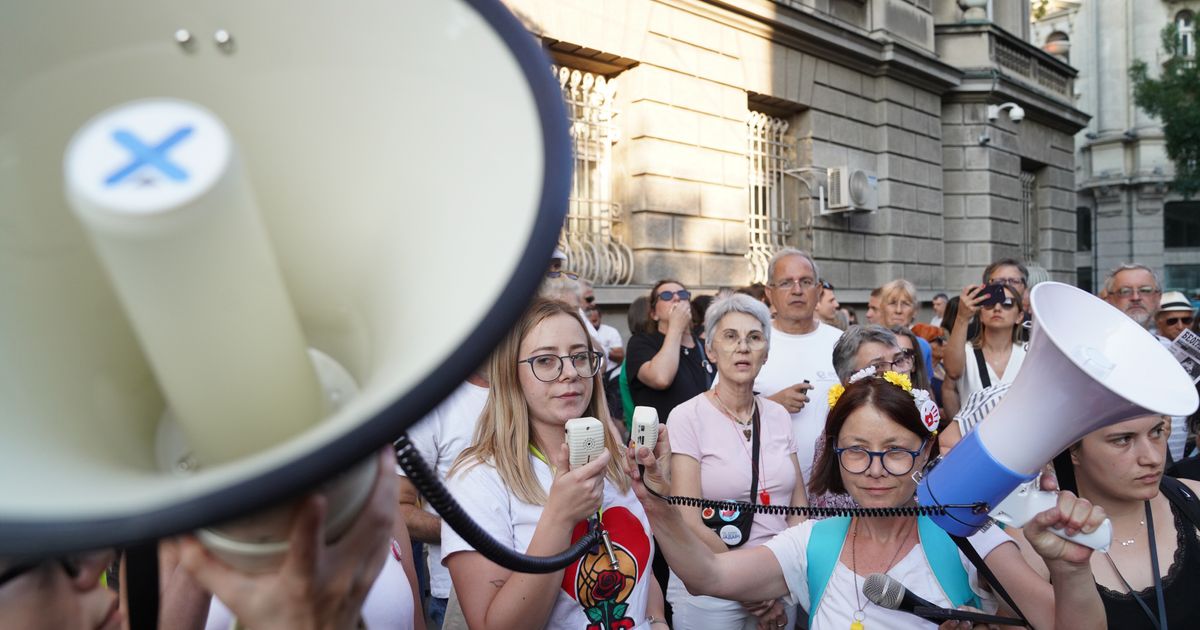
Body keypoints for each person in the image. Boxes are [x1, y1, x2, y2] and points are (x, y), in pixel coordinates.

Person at [626, 375, 1109, 630]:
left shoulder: (969, 533)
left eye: (896, 451)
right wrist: (658, 503)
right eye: (856, 451)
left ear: (925, 451)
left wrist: (1069, 572)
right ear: (835, 456)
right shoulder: (813, 541)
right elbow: (707, 576)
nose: (875, 469)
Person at [442, 299, 665, 630]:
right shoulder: (477, 478)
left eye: (580, 356)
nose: (571, 372)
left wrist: (656, 619)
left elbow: (637, 562)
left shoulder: (615, 457)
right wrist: (559, 518)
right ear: (509, 374)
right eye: (545, 360)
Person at [666, 295, 808, 629]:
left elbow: (798, 508)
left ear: (766, 353)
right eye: (730, 336)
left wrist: (781, 574)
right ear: (711, 350)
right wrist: (752, 590)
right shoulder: (687, 417)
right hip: (712, 587)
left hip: (779, 581)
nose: (742, 347)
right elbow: (688, 519)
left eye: (754, 337)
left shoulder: (778, 415)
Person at [1019, 414, 1200, 629]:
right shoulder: (1030, 547)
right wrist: (1070, 573)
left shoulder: (1194, 499)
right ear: (1071, 448)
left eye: (1157, 432)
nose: (1152, 457)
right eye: (1123, 439)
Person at [398, 372, 490, 628]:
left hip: (543, 584)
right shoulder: (434, 404)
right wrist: (472, 531)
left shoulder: (534, 386)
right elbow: (399, 508)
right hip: (456, 594)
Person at [754, 249, 843, 482]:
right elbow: (717, 410)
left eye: (805, 282)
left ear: (819, 291)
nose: (797, 290)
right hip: (766, 487)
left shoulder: (841, 343)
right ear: (769, 293)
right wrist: (771, 405)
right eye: (786, 283)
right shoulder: (752, 341)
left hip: (833, 488)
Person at [625, 280, 714, 427]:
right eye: (666, 295)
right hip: (662, 444)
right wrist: (676, 327)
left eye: (683, 294)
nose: (677, 298)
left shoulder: (706, 346)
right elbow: (661, 378)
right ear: (654, 314)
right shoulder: (640, 342)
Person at [943, 281, 1025, 406]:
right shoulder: (964, 351)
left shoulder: (1029, 352)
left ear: (1019, 317)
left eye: (1007, 303)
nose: (997, 308)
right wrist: (962, 317)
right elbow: (952, 374)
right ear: (980, 315)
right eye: (990, 303)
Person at [878, 279, 933, 374]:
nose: (898, 310)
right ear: (882, 308)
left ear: (915, 311)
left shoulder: (922, 346)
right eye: (892, 303)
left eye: (905, 304)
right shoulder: (870, 345)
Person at [1103, 263, 1163, 330]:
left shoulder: (1164, 341)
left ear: (1158, 298)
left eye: (1145, 290)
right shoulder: (1093, 339)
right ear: (1109, 299)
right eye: (1125, 291)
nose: (1135, 297)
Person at [889, 325, 932, 391]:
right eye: (888, 355)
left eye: (901, 359)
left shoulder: (924, 400)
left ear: (914, 364)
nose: (895, 369)